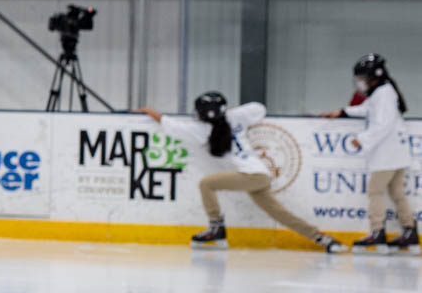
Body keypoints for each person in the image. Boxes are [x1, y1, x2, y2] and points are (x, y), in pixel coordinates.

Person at [138, 93, 346, 253]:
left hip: (251, 176)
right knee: (280, 214)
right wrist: (229, 113)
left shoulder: (201, 130)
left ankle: (216, 228)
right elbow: (259, 108)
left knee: (206, 184)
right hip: (259, 174)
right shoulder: (235, 116)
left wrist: (149, 110)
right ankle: (323, 239)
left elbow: (170, 124)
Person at [322, 54, 416, 253]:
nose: (360, 83)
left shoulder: (384, 94)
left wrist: (362, 139)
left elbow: (383, 123)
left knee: (375, 190)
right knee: (397, 192)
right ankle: (410, 231)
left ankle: (377, 231)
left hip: (388, 154)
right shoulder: (383, 92)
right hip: (395, 153)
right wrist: (343, 111)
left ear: (374, 77)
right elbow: (367, 110)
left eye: (362, 78)